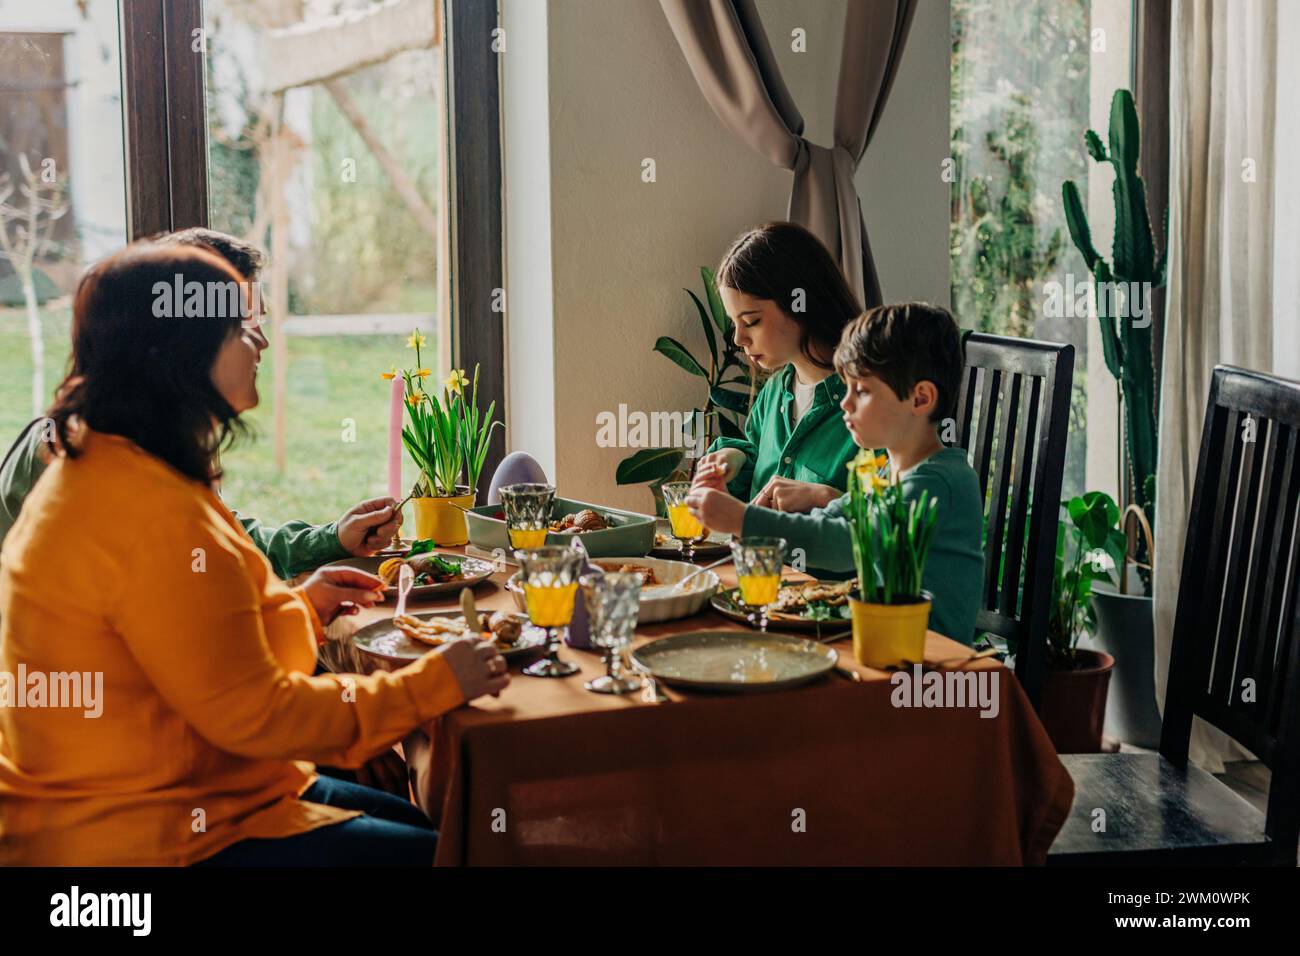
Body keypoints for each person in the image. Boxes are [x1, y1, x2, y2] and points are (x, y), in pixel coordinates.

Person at [0, 242, 508, 865]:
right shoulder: (145, 510)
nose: (260, 343)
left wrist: (301, 607)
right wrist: (432, 683)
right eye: (242, 328)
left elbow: (202, 648)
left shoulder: (120, 462)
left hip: (204, 791)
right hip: (147, 836)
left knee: (422, 821)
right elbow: (261, 714)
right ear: (180, 357)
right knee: (450, 847)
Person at [0, 227, 398, 578]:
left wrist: (331, 540)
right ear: (181, 338)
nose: (261, 342)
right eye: (239, 326)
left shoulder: (156, 438)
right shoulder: (83, 459)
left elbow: (219, 545)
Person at [685, 303, 985, 644]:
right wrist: (750, 517)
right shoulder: (887, 473)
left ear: (920, 399)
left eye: (862, 391)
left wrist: (743, 518)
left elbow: (849, 544)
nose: (845, 402)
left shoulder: (937, 484)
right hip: (881, 646)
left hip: (928, 671)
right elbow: (827, 520)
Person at [690, 222, 862, 515]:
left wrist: (826, 497)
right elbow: (758, 460)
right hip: (756, 560)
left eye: (751, 321)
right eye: (735, 323)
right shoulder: (774, 393)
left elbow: (891, 517)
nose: (738, 338)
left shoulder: (872, 403)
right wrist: (736, 458)